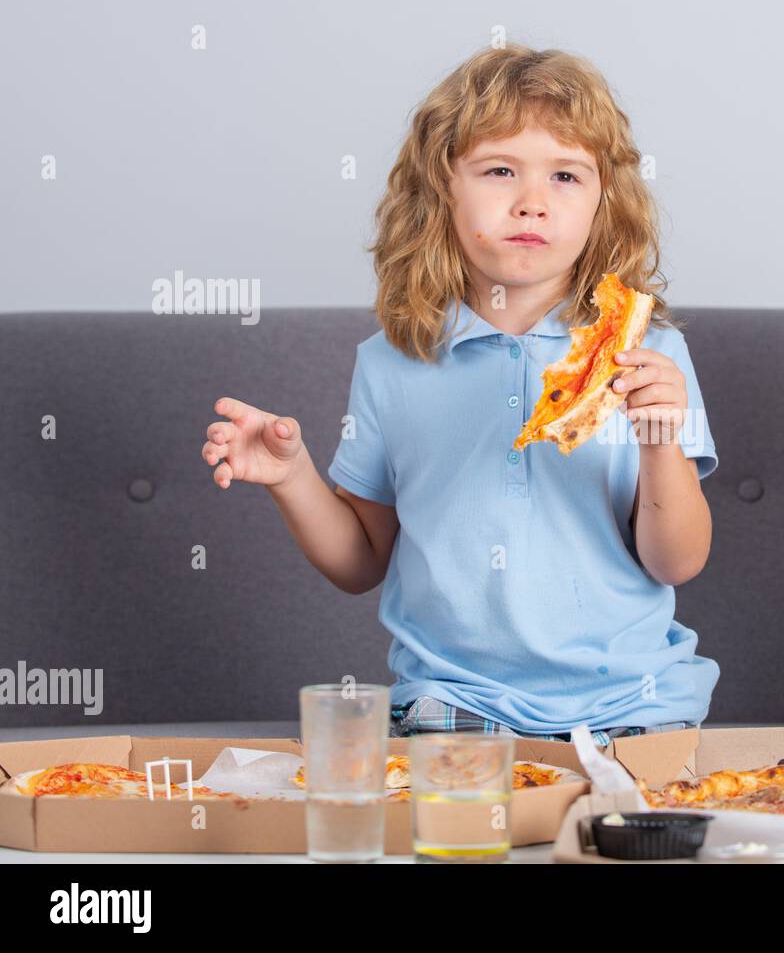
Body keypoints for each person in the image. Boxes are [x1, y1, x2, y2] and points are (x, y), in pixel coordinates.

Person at [201, 45, 719, 746]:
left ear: (604, 203)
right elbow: (361, 562)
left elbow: (677, 560)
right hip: (452, 703)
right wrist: (292, 478)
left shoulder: (649, 354)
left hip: (636, 701)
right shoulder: (393, 360)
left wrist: (660, 439)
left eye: (566, 175)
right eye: (500, 170)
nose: (532, 200)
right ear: (443, 187)